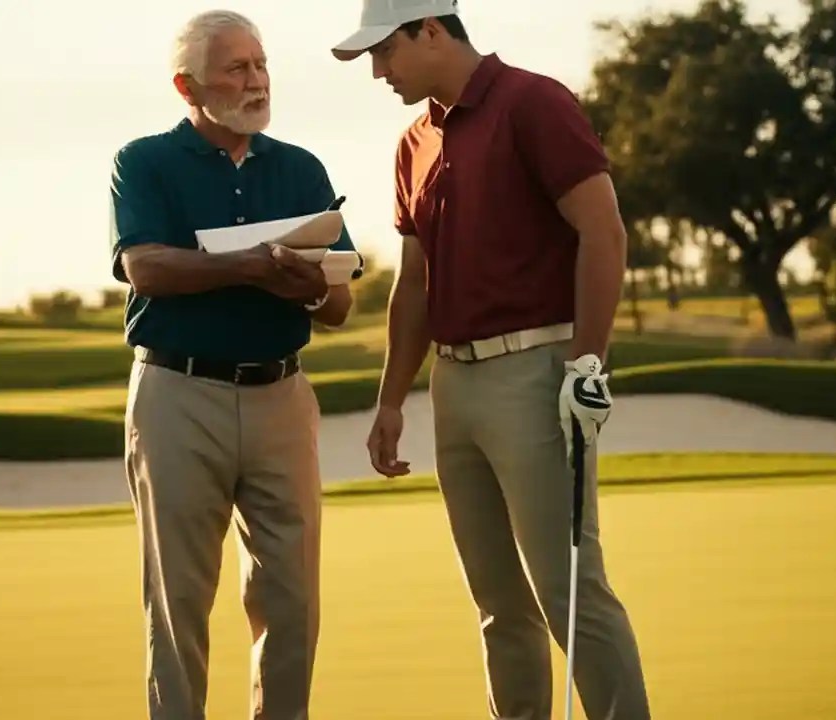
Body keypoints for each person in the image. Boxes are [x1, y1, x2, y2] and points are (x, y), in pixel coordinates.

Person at [331, 1, 652, 719]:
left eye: (385, 53)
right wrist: (390, 401)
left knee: (568, 590)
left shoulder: (533, 103)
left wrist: (587, 364)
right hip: (456, 384)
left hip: (535, 373)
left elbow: (603, 232)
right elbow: (414, 284)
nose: (379, 72)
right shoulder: (413, 141)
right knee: (498, 603)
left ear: (433, 31)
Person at [109, 9, 357, 720]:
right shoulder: (145, 161)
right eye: (236, 69)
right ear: (188, 86)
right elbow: (146, 267)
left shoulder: (301, 168)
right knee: (179, 596)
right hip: (178, 393)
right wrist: (251, 266)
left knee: (292, 595)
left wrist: (311, 283)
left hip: (282, 395)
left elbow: (338, 304)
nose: (255, 82)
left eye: (260, 64)